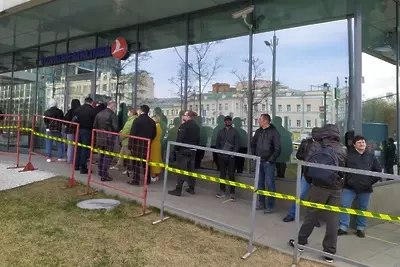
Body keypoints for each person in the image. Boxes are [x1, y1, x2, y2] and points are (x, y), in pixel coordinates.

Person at [289, 124, 346, 264]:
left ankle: (301, 242)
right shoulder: (342, 148)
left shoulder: (315, 146)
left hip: (318, 186)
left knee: (311, 215)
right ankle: (329, 252)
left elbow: (307, 167)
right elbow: (344, 170)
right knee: (333, 219)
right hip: (336, 187)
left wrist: (312, 182)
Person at [338, 135, 381, 238]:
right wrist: (346, 180)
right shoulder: (349, 155)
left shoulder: (371, 156)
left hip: (365, 188)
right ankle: (343, 227)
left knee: (362, 208)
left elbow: (378, 171)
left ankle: (360, 228)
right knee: (344, 205)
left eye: (363, 142)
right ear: (354, 145)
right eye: (359, 142)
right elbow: (342, 170)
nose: (362, 144)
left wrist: (370, 182)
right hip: (349, 187)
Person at [283, 127, 321, 227]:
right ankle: (292, 214)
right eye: (314, 133)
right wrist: (308, 156)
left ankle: (313, 218)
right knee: (300, 194)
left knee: (315, 198)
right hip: (306, 173)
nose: (316, 135)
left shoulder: (323, 144)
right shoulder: (306, 143)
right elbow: (299, 155)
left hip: (318, 175)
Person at [252, 114, 281, 213]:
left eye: (260, 119)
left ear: (265, 121)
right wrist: (255, 157)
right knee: (259, 183)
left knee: (270, 184)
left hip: (268, 163)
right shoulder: (258, 131)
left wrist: (270, 160)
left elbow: (277, 149)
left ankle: (270, 205)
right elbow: (253, 144)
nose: (258, 121)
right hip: (259, 161)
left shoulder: (274, 132)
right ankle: (261, 203)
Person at [168, 111, 200, 196]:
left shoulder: (184, 126)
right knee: (191, 170)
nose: (183, 117)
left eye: (184, 115)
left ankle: (178, 189)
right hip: (193, 151)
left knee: (182, 170)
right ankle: (191, 188)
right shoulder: (197, 127)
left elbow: (180, 139)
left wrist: (176, 149)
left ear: (189, 116)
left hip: (184, 151)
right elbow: (198, 140)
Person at [128, 105, 157, 186]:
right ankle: (147, 180)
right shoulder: (152, 122)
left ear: (141, 110)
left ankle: (136, 180)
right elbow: (154, 134)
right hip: (147, 145)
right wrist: (149, 140)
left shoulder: (137, 121)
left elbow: (132, 134)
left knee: (136, 163)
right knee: (146, 163)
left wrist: (130, 146)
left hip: (137, 145)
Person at [215, 116, 240, 201]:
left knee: (231, 175)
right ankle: (222, 191)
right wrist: (219, 153)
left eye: (229, 121)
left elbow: (237, 144)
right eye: (227, 121)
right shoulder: (220, 131)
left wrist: (233, 154)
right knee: (222, 174)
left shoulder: (235, 132)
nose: (228, 122)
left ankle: (232, 193)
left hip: (231, 158)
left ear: (231, 122)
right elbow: (217, 143)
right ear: (224, 122)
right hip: (222, 157)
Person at [93, 101, 118, 181]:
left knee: (102, 155)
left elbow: (95, 125)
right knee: (107, 156)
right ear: (112, 106)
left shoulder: (99, 113)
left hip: (100, 137)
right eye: (115, 106)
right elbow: (115, 128)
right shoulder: (113, 115)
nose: (115, 108)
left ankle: (100, 171)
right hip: (109, 137)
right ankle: (104, 175)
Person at [111, 107, 138, 173]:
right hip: (126, 140)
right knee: (122, 154)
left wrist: (120, 136)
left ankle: (129, 169)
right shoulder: (132, 120)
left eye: (128, 112)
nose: (127, 113)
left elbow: (126, 130)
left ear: (131, 113)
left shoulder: (131, 121)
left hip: (127, 140)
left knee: (128, 155)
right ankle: (118, 165)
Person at [74, 97, 96, 174]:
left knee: (78, 148)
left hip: (79, 130)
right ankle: (83, 167)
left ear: (85, 101)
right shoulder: (92, 111)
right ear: (91, 102)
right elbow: (94, 123)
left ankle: (76, 165)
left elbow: (74, 120)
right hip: (87, 131)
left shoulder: (78, 109)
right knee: (85, 149)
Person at [64, 99, 81, 164]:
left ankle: (69, 160)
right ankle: (76, 160)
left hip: (70, 131)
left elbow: (65, 120)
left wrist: (67, 125)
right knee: (77, 146)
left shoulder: (70, 111)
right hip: (78, 131)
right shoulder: (80, 111)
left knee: (70, 146)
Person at [150, 115, 163, 181]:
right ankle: (156, 175)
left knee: (154, 160)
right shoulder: (159, 126)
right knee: (157, 159)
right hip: (157, 144)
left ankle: (153, 175)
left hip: (154, 144)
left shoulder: (156, 127)